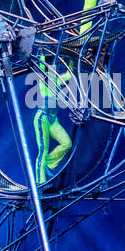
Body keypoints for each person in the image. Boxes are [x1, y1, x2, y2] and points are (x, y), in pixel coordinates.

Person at [34, 53, 74, 184]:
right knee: (42, 150)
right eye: (51, 69)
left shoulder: (56, 81)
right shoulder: (42, 80)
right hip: (42, 119)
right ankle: (40, 182)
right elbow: (41, 66)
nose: (53, 70)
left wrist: (73, 58)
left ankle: (49, 164)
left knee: (67, 143)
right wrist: (42, 54)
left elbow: (69, 75)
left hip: (53, 120)